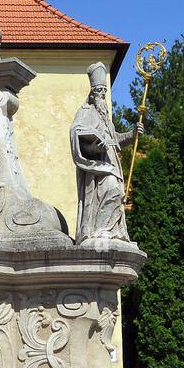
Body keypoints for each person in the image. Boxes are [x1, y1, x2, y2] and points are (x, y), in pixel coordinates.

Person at [69, 63, 142, 242]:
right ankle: (99, 231)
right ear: (92, 94)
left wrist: (133, 134)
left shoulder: (106, 118)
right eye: (99, 91)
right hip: (97, 170)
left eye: (104, 91)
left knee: (116, 192)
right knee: (111, 190)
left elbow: (116, 139)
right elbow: (77, 135)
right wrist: (96, 147)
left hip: (110, 164)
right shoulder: (86, 112)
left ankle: (110, 231)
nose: (102, 94)